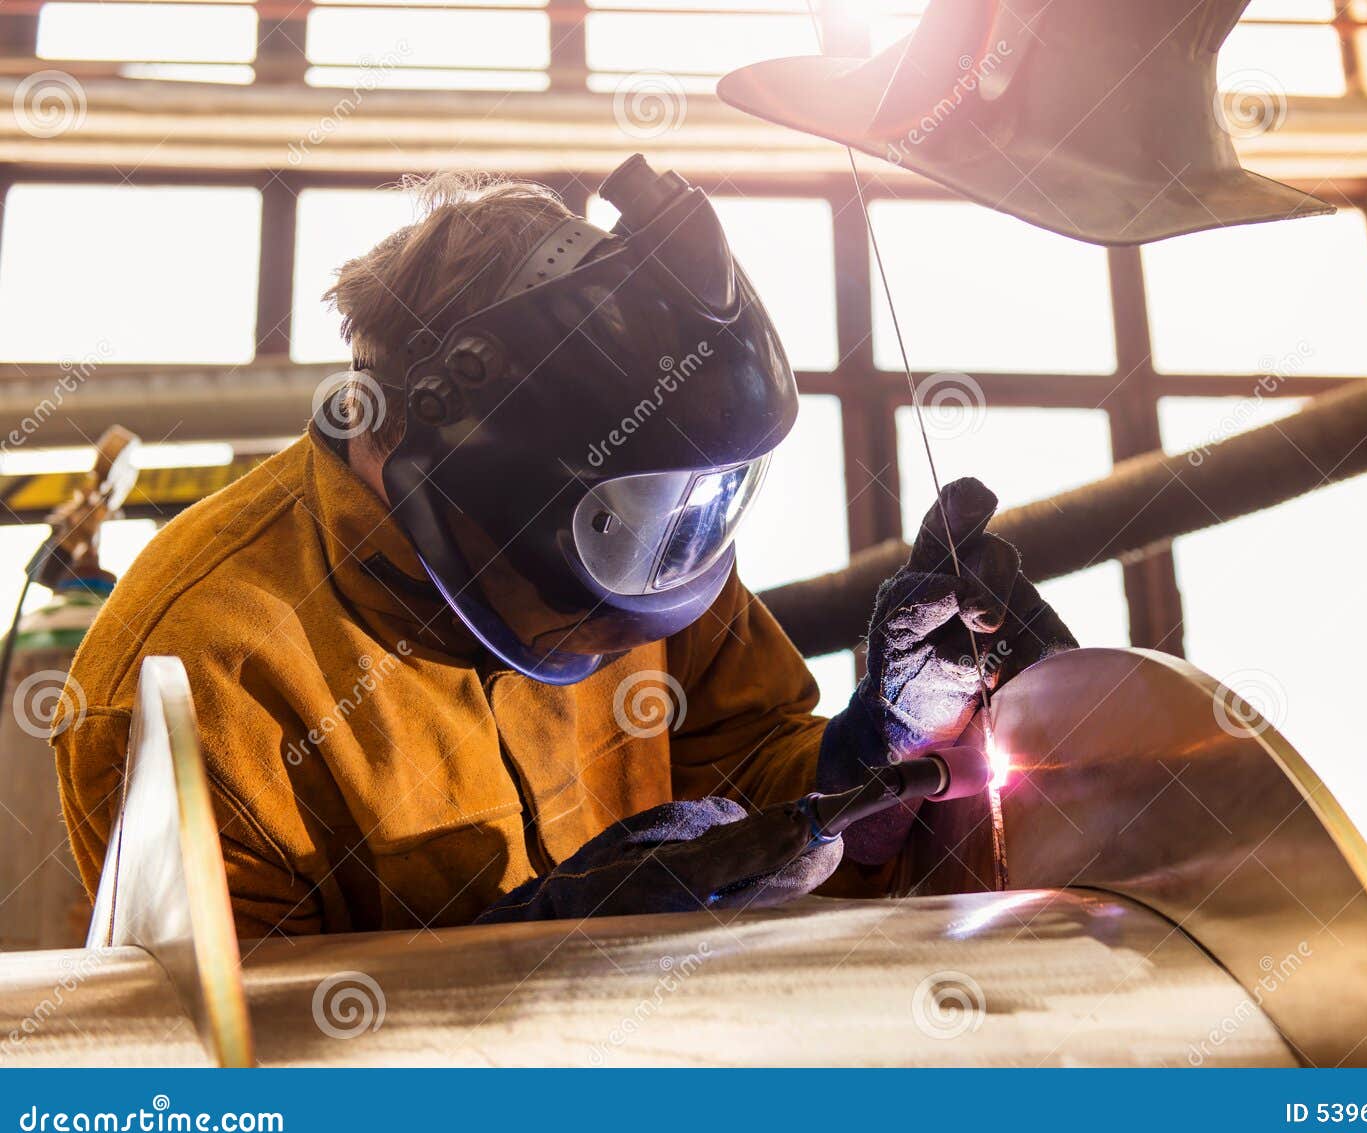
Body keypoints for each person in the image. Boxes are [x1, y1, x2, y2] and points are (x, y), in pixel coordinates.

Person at [53, 157, 1076, 938]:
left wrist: (881, 756)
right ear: (444, 446)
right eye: (619, 518)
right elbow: (235, 1084)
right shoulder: (189, 673)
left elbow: (760, 795)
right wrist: (530, 959)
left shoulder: (650, 532)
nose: (661, 559)